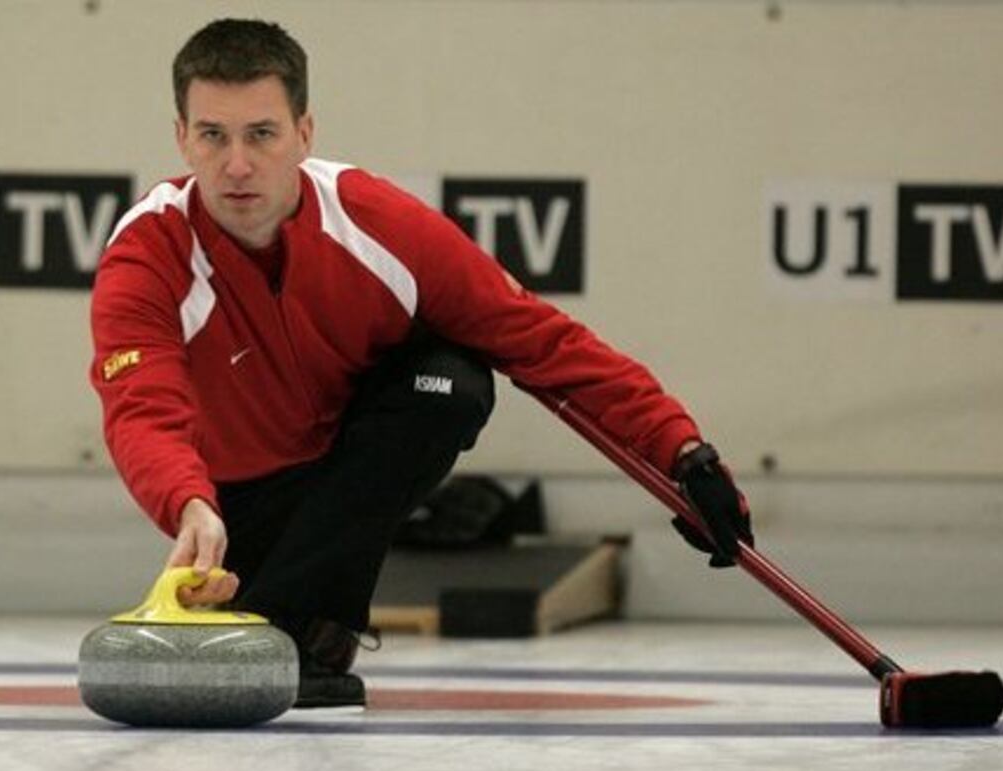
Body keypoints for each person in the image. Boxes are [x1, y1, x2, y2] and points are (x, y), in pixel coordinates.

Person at [89, 18, 753, 708]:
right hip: (231, 500)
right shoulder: (146, 251)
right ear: (180, 138)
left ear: (305, 133)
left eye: (262, 134)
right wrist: (187, 501)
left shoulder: (378, 224)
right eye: (213, 136)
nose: (236, 164)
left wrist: (681, 450)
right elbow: (141, 406)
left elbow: (542, 341)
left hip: (343, 469)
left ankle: (306, 628)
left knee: (452, 384)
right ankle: (287, 617)